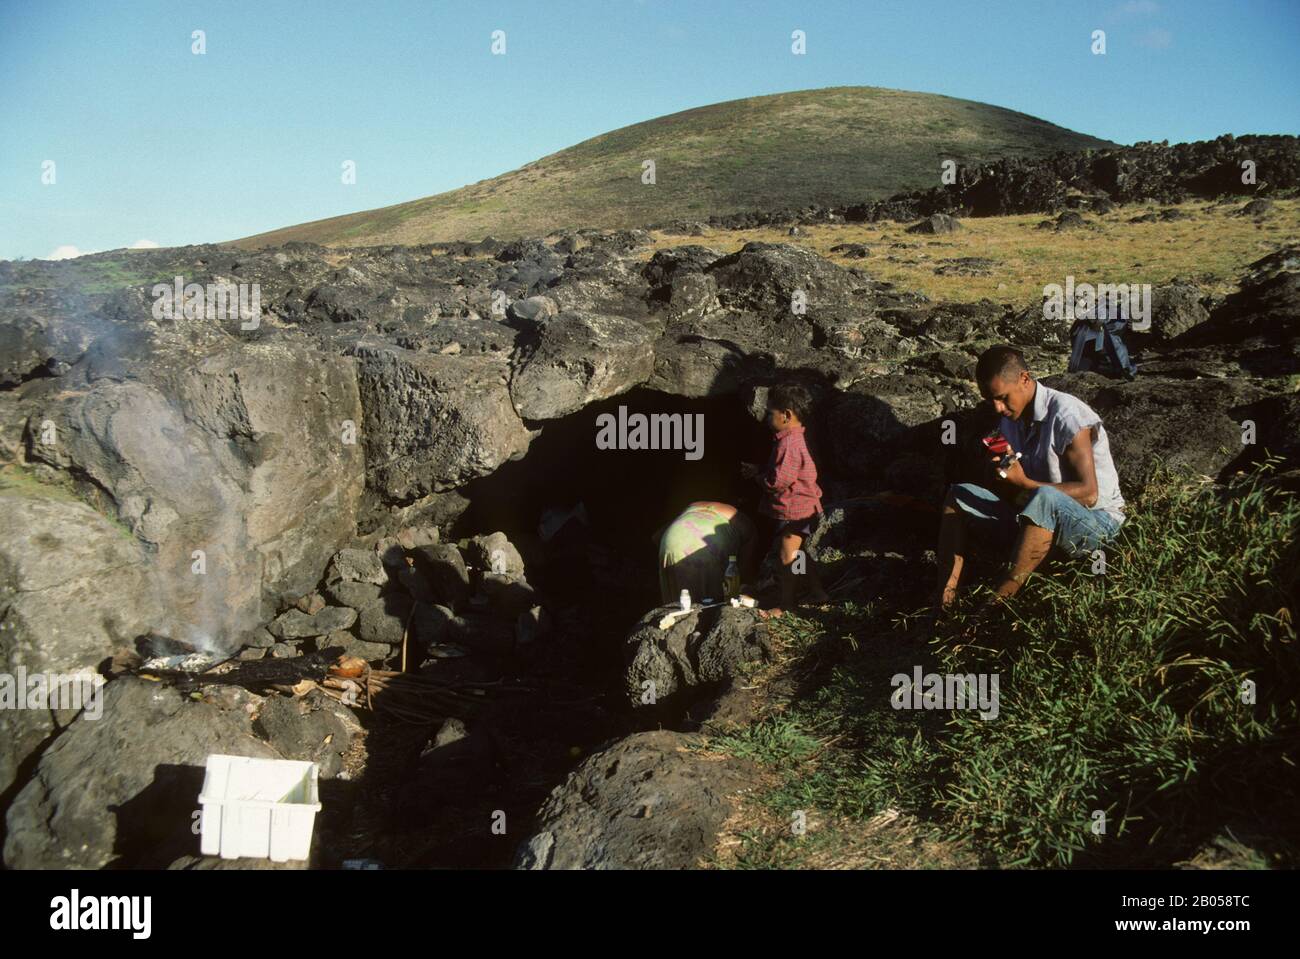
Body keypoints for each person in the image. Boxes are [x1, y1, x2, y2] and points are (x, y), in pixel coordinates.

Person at [936, 345, 1126, 609]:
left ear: (1024, 379)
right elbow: (1021, 495)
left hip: (1098, 523)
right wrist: (1001, 479)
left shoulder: (1066, 415)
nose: (998, 407)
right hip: (1038, 519)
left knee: (1044, 497)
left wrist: (1025, 483)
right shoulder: (1009, 419)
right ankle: (945, 598)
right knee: (959, 494)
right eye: (990, 399)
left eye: (1002, 398)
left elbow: (1089, 493)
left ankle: (998, 605)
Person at [741, 381, 829, 618]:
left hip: (795, 509)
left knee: (786, 555)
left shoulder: (788, 443)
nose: (767, 418)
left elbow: (780, 480)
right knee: (800, 553)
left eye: (770, 413)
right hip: (804, 506)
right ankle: (817, 591)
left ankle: (786, 604)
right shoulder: (793, 438)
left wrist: (759, 477)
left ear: (786, 415)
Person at [657, 502, 756, 605]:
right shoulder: (748, 527)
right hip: (712, 543)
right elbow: (743, 571)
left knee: (679, 603)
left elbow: (656, 537)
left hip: (673, 535)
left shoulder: (693, 505)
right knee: (712, 606)